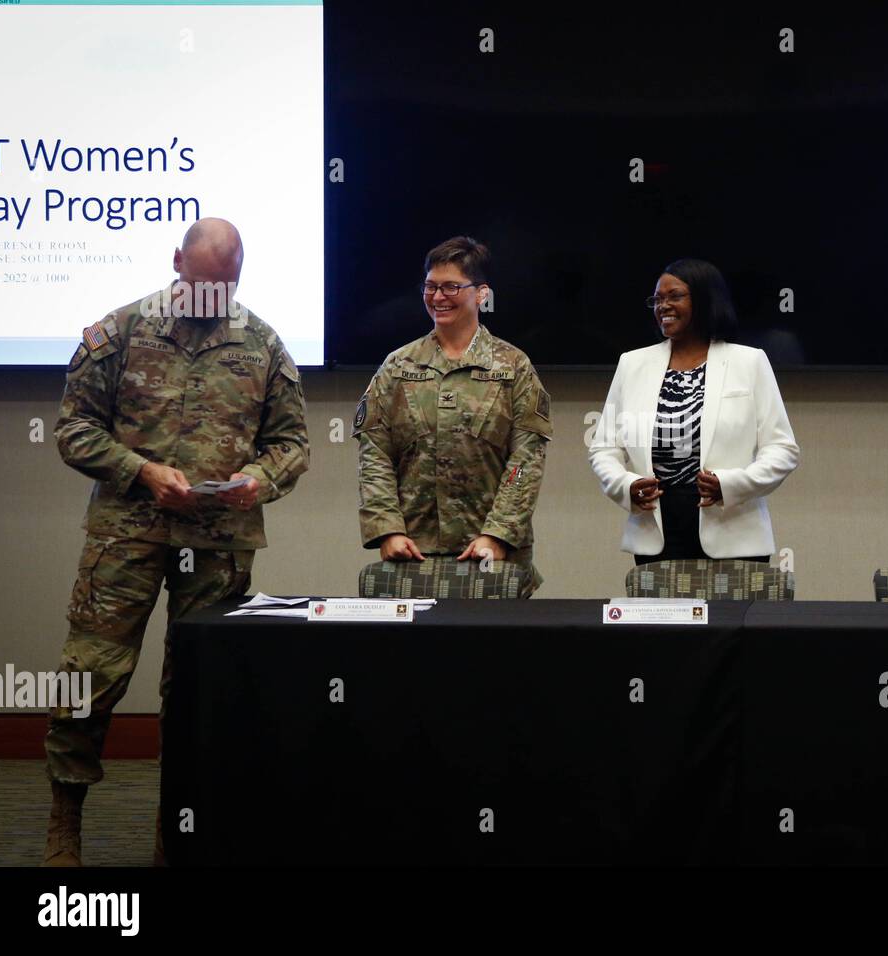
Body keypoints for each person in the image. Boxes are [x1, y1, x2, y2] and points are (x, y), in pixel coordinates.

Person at [43, 218, 310, 866]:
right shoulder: (123, 331)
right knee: (89, 680)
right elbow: (73, 429)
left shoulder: (264, 345)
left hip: (218, 544)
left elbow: (293, 444)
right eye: (202, 283)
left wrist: (260, 477)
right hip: (128, 533)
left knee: (198, 690)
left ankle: (177, 832)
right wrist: (141, 471)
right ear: (176, 264)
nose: (214, 297)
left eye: (227, 285)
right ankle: (63, 825)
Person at [355, 236, 552, 596]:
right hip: (413, 551)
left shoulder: (513, 366)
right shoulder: (398, 366)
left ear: (481, 294)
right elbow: (375, 455)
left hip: (492, 554)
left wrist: (497, 534)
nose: (438, 297)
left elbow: (526, 460)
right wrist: (387, 528)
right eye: (430, 287)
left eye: (451, 287)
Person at [589, 258, 798, 564]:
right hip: (657, 532)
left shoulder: (748, 362)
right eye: (658, 299)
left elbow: (782, 450)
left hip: (734, 533)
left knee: (730, 615)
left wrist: (732, 485)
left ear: (704, 299)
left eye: (674, 296)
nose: (663, 306)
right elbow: (604, 448)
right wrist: (626, 486)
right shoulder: (632, 364)